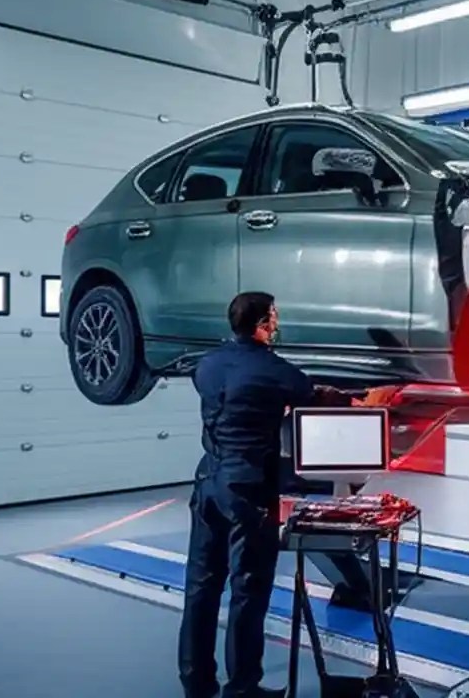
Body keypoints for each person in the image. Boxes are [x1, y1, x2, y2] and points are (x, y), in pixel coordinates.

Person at [178, 291, 397, 698]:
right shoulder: (274, 370)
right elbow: (313, 395)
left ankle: (196, 682)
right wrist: (365, 399)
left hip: (207, 482)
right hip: (248, 492)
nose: (277, 322)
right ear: (266, 322)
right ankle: (243, 688)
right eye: (274, 316)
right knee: (247, 590)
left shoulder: (207, 365)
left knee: (201, 587)